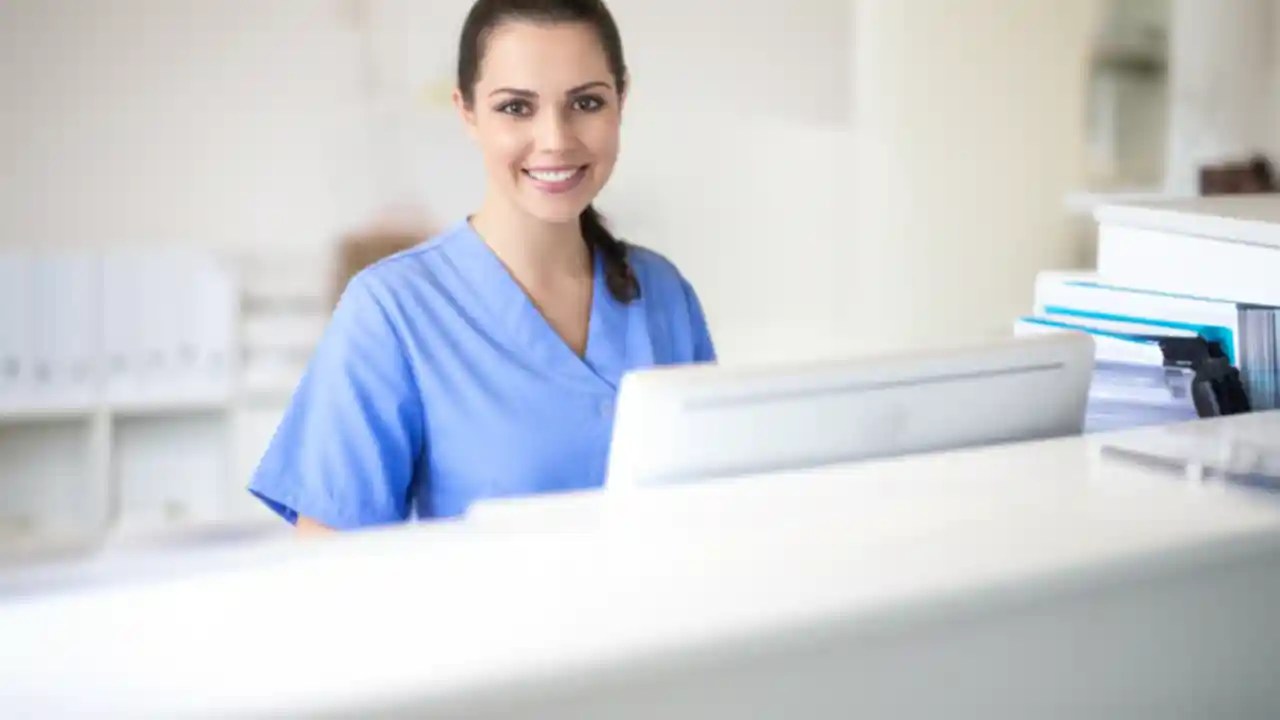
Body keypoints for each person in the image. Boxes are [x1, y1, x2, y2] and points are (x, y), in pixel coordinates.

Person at [248, 0, 716, 532]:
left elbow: (714, 509)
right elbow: (329, 569)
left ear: (621, 101)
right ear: (466, 111)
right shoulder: (392, 312)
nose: (557, 140)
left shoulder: (664, 296)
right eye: (517, 108)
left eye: (586, 103)